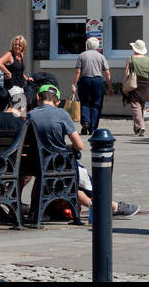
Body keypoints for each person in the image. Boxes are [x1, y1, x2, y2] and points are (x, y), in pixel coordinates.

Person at [28, 84, 138, 218]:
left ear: (38, 97)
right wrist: (68, 146)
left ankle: (109, 206)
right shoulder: (62, 114)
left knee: (68, 180)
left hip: (36, 164)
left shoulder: (29, 116)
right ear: (57, 101)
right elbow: (79, 145)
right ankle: (110, 206)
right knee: (79, 179)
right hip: (58, 164)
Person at [71, 38, 112, 135]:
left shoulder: (82, 55)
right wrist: (110, 87)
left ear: (87, 45)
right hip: (98, 81)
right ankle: (93, 127)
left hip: (85, 80)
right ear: (97, 47)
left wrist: (74, 85)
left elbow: (78, 72)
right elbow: (107, 73)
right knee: (96, 104)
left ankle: (86, 122)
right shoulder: (101, 56)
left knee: (85, 103)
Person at [122, 39, 149, 136]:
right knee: (140, 107)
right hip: (145, 85)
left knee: (135, 107)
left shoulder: (131, 58)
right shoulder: (148, 59)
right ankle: (137, 129)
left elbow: (126, 73)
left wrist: (124, 84)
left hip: (134, 84)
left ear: (134, 49)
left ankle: (141, 126)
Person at [0, 36, 29, 110]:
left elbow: (19, 71)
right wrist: (8, 73)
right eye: (15, 44)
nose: (17, 46)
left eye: (19, 45)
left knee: (21, 109)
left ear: (23, 46)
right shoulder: (9, 54)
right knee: (16, 110)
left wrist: (27, 78)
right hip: (12, 86)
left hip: (20, 86)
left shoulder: (20, 55)